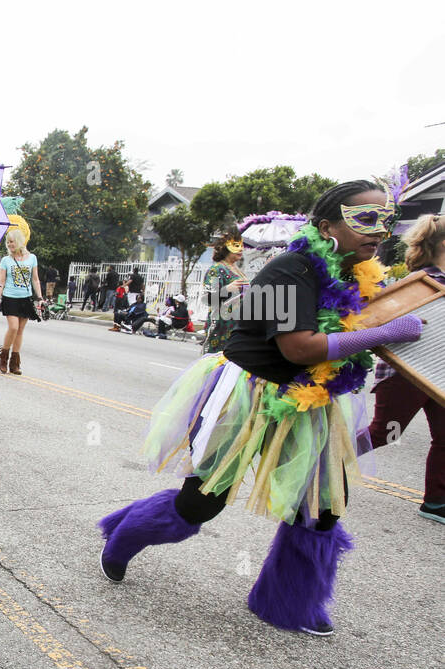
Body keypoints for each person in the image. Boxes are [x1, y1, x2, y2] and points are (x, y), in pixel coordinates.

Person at [98, 181, 423, 636]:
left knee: (322, 505)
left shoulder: (359, 273)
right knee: (201, 503)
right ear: (327, 226)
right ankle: (120, 540)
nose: (379, 230)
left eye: (386, 220)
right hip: (251, 392)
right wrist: (383, 334)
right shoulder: (289, 271)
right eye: (364, 218)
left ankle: (289, 604)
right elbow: (299, 348)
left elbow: (353, 329)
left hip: (315, 398)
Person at [367, 213, 445, 524]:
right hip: (405, 373)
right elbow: (381, 324)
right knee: (384, 432)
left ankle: (437, 501)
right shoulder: (421, 282)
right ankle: (321, 465)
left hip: (439, 374)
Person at [0, 213, 41, 375]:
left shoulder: (32, 258)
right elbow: (2, 282)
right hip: (10, 298)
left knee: (20, 331)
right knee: (13, 327)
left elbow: (35, 279)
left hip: (25, 298)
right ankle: (3, 358)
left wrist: (39, 298)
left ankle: (15, 363)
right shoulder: (6, 260)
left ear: (19, 241)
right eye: (8, 242)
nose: (9, 244)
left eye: (12, 241)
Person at [201, 232, 248, 353]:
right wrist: (228, 289)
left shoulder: (237, 270)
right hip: (222, 327)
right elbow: (208, 299)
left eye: (242, 246)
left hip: (238, 325)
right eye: (236, 246)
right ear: (226, 249)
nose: (241, 249)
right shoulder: (216, 270)